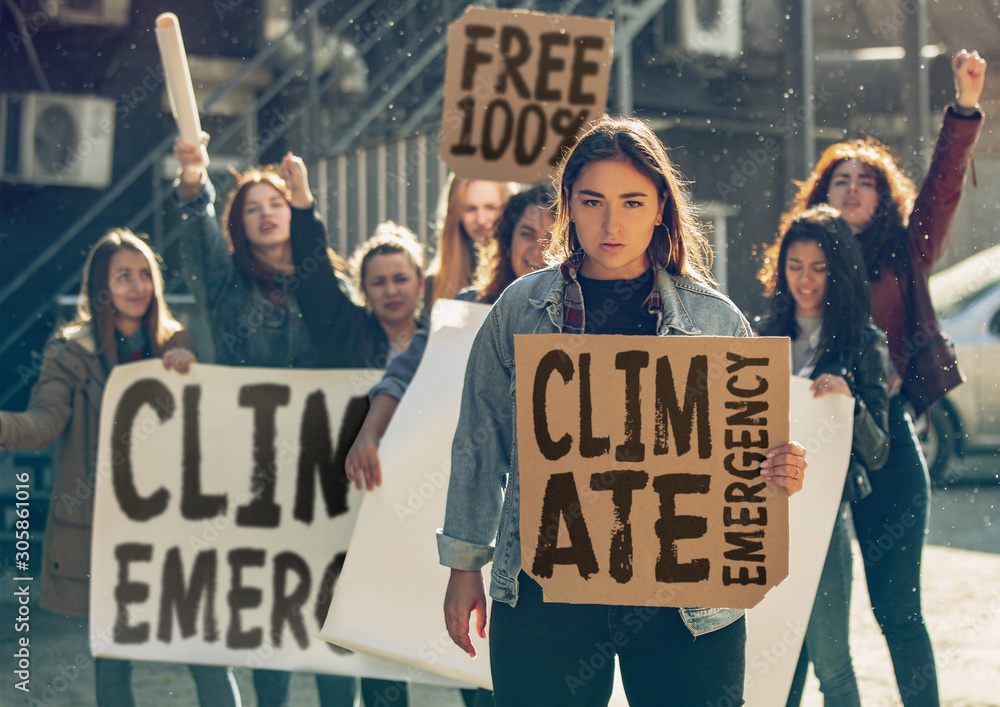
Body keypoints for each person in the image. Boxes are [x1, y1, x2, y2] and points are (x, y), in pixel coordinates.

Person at [439, 117, 808, 706]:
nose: (612, 224)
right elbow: (480, 441)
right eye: (593, 202)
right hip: (546, 592)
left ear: (661, 205)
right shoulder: (520, 309)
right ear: (568, 205)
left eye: (632, 202)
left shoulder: (715, 321)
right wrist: (464, 564)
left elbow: (745, 459)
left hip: (683, 601)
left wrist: (779, 470)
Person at [763, 49, 986, 707]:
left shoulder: (905, 251)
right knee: (799, 610)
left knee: (899, 611)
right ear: (821, 196)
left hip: (883, 448)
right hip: (806, 460)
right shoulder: (801, 264)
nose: (853, 187)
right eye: (840, 180)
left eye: (866, 179)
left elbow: (945, 185)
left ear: (884, 196)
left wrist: (966, 106)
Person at [0, 230, 240, 707]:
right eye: (122, 276)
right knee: (113, 664)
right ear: (100, 287)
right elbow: (43, 422)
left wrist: (189, 369)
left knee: (207, 652)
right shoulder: (70, 352)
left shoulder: (178, 342)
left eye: (145, 274)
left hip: (179, 529)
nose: (137, 286)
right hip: (107, 533)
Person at [172, 136, 336, 707]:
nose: (267, 213)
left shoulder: (326, 286)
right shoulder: (226, 286)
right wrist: (194, 177)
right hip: (252, 476)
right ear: (237, 226)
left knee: (328, 608)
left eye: (276, 202)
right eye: (251, 207)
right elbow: (195, 233)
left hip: (322, 473)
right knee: (272, 612)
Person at [759, 205, 892, 706]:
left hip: (823, 517)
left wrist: (848, 404)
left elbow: (878, 452)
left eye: (818, 267)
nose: (805, 279)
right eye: (795, 265)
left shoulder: (862, 343)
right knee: (775, 663)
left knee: (832, 663)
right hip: (762, 514)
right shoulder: (761, 334)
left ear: (838, 271)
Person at [345, 184, 555, 493]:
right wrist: (369, 434)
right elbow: (404, 373)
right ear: (506, 241)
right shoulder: (464, 307)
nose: (538, 248)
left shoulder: (583, 316)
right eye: (526, 233)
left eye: (552, 237)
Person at [289, 218, 426, 370]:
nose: (391, 291)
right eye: (379, 283)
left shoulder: (439, 340)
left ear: (421, 283)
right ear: (363, 289)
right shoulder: (347, 334)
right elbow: (315, 277)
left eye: (401, 280)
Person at [423, 174, 514, 309]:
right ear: (455, 213)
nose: (481, 220)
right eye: (470, 209)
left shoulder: (526, 270)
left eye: (491, 207)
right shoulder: (434, 282)